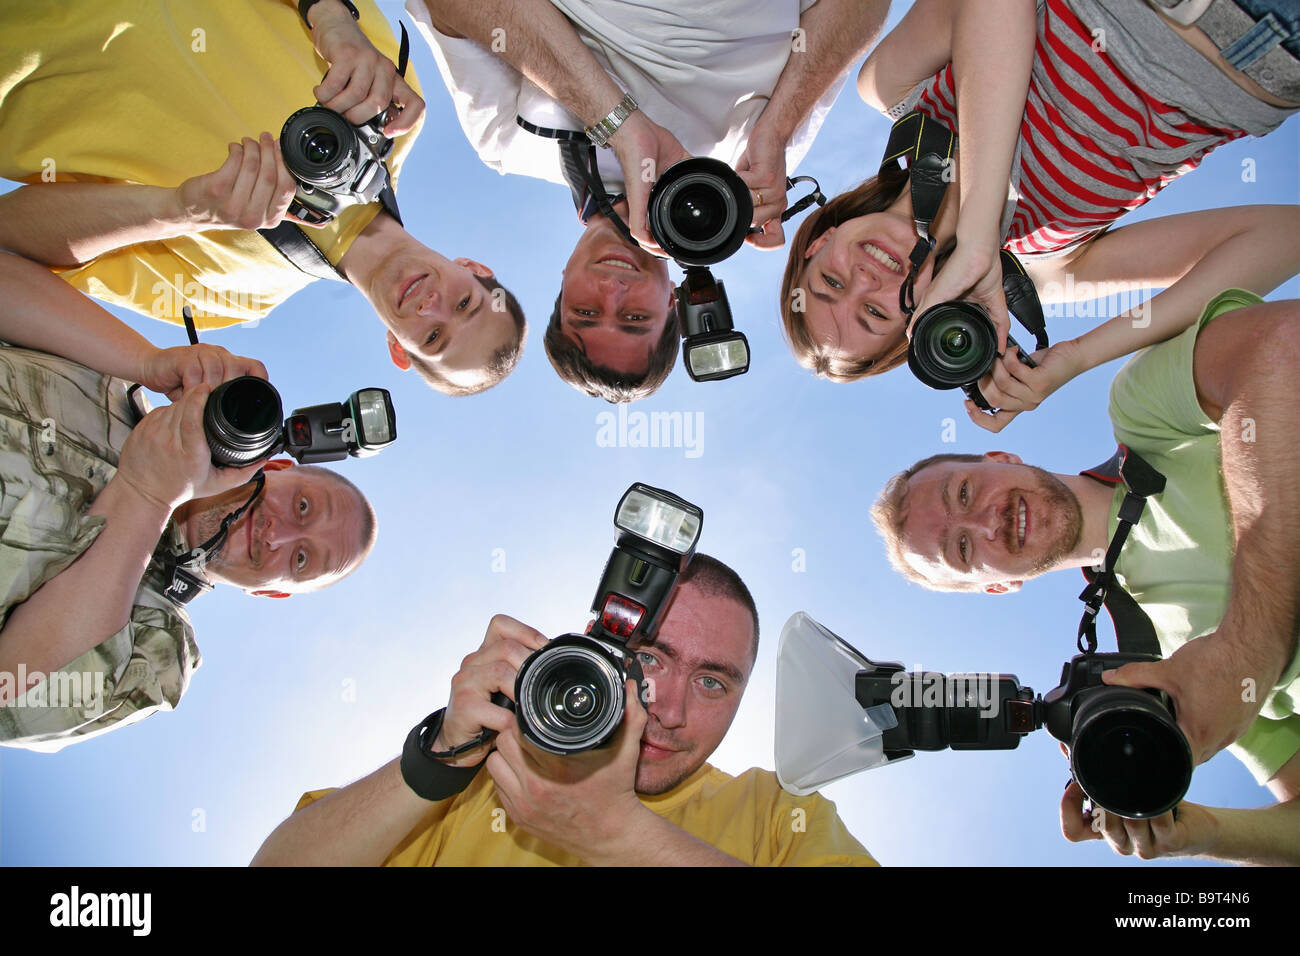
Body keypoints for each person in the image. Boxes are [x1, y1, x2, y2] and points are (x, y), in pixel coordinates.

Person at [869, 288, 1300, 865]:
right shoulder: (1168, 677)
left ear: (1002, 458)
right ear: (997, 586)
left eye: (965, 492)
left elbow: (1280, 343)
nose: (984, 519)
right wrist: (1199, 834)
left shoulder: (1145, 411)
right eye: (965, 549)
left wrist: (1247, 652)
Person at [780, 0, 1299, 423]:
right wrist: (1076, 357)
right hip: (1275, 62)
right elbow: (1284, 237)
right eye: (875, 313)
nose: (865, 280)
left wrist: (980, 235)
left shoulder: (895, 92)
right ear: (919, 321)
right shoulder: (1049, 263)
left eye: (832, 281)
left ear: (821, 240)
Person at [0, 0, 526, 397]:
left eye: (433, 338)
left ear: (398, 349)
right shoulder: (395, 102)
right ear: (473, 267)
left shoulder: (232, 299)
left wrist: (179, 210)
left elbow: (11, 238)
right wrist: (337, 26)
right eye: (465, 303)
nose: (433, 306)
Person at [251, 554, 876, 865]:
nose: (674, 710)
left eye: (713, 683)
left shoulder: (776, 817)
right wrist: (438, 759)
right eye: (652, 660)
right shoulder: (477, 785)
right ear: (594, 652)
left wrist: (620, 835)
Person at [410, 0, 886, 400]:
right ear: (673, 303)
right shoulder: (753, 170)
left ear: (562, 285)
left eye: (586, 313)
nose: (612, 293)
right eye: (635, 317)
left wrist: (615, 122)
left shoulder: (507, 143)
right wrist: (779, 128)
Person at [0, 251, 377, 750]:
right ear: (278, 467)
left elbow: (11, 694)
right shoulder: (110, 380)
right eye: (303, 507)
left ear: (271, 592)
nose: (278, 533)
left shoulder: (155, 646)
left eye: (302, 557)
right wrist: (148, 362)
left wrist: (146, 495)